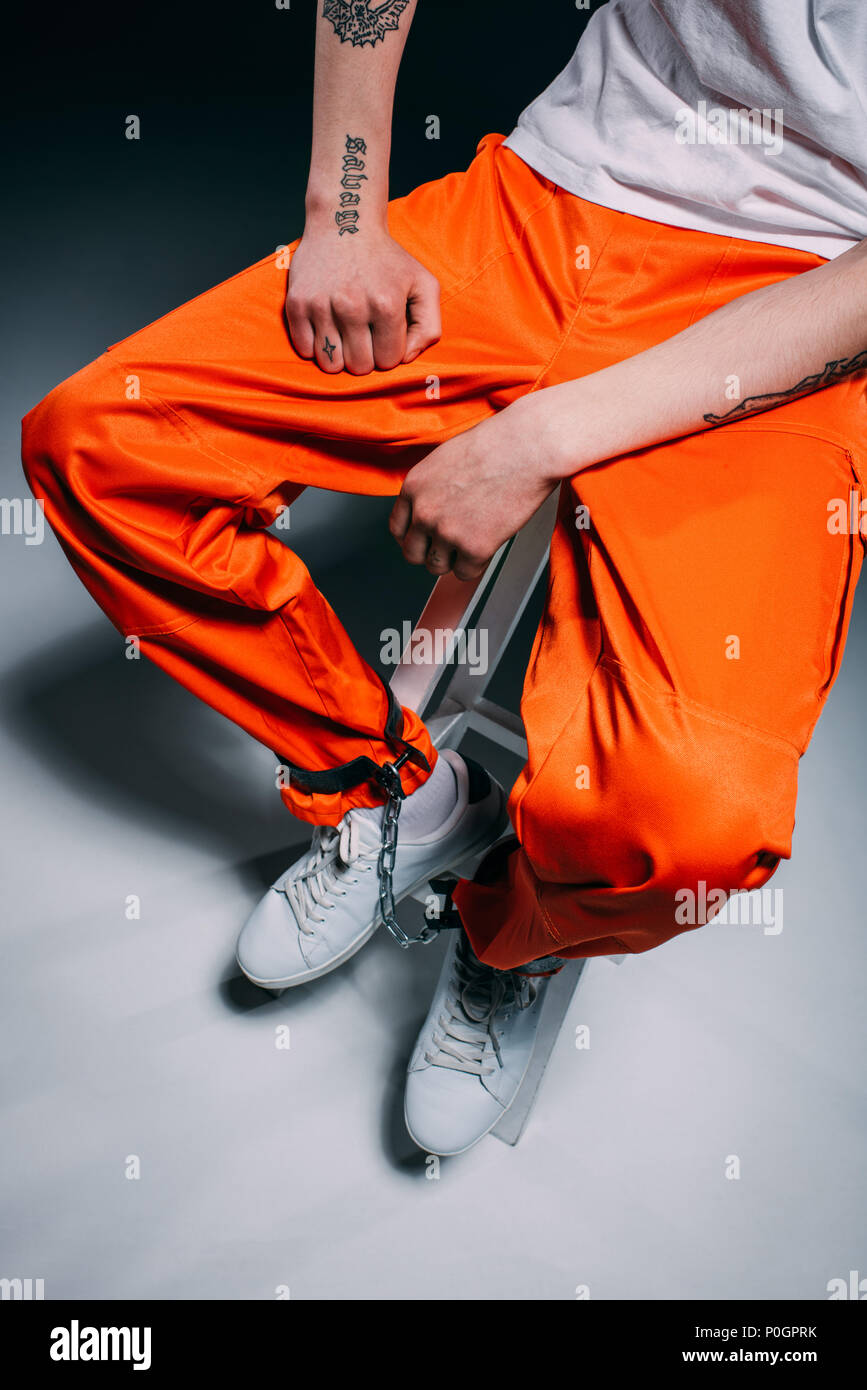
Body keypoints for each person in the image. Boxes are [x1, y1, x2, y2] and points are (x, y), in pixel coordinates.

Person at [21, 0, 867, 1156]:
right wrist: (343, 214)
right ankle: (397, 793)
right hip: (546, 204)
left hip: (798, 291)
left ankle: (511, 936)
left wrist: (535, 441)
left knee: (694, 825)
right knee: (105, 447)